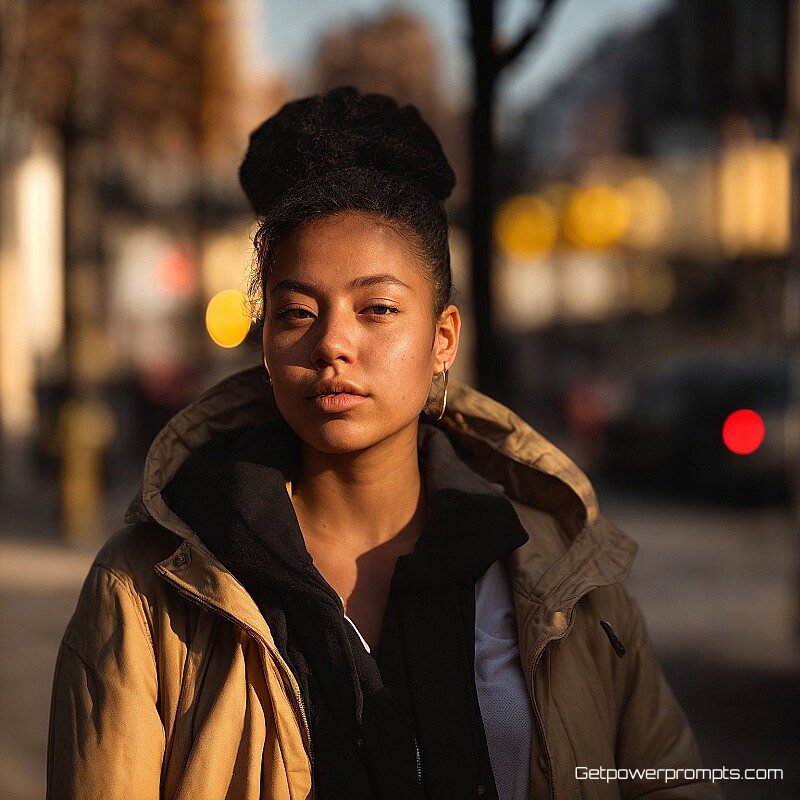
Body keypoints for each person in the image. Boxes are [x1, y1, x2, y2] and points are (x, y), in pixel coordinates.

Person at [47, 87, 720, 800]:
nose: (334, 342)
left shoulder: (563, 576)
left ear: (443, 339)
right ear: (266, 345)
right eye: (297, 312)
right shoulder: (150, 587)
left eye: (378, 309)